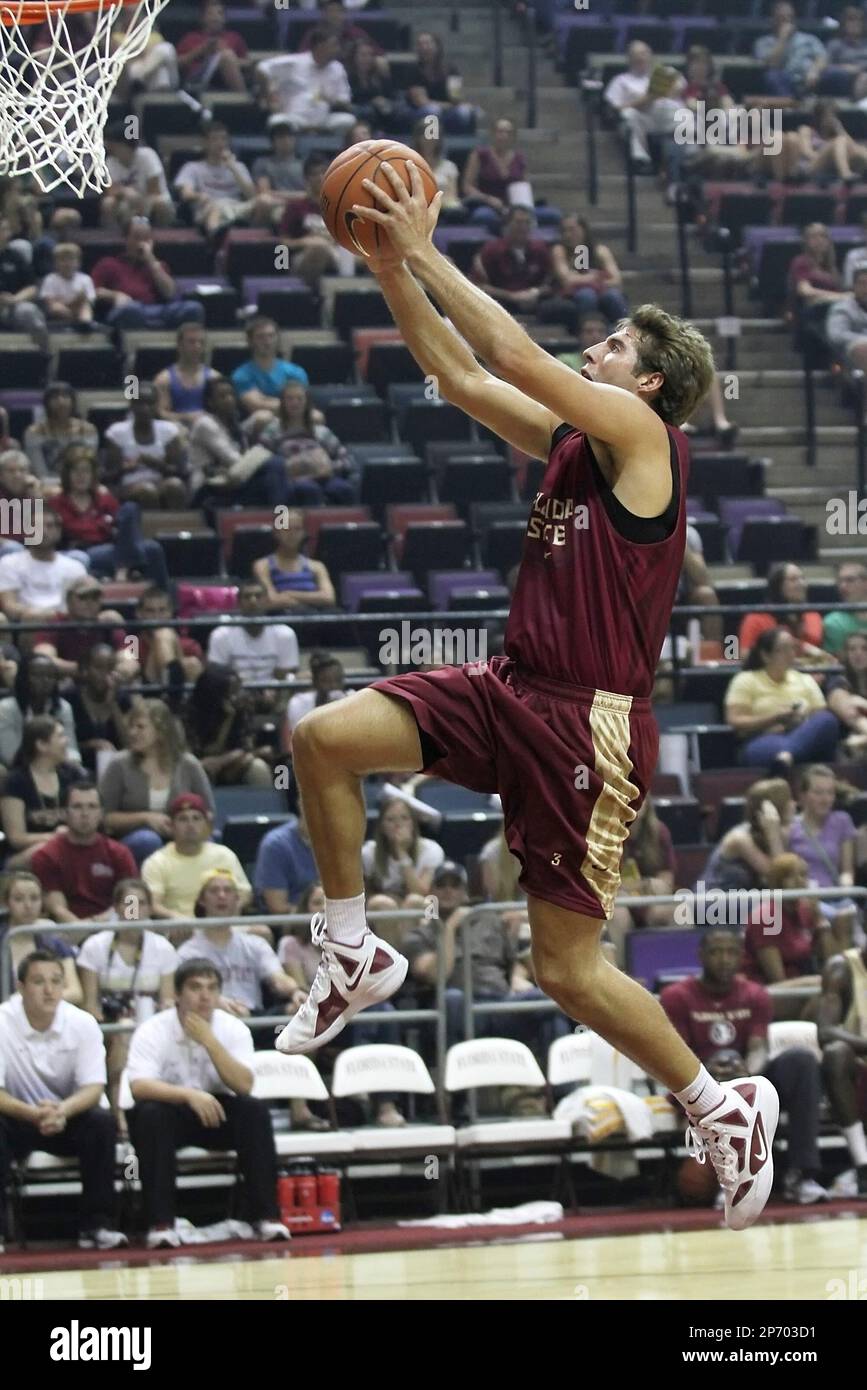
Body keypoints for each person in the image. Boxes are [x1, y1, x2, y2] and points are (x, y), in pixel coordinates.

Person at [273, 158, 781, 1233]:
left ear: (644, 385)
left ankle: (718, 1105)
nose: (592, 352)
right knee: (320, 737)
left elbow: (508, 347)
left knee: (564, 969)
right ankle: (352, 943)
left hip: (587, 726)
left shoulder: (649, 442)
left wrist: (418, 244)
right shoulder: (571, 445)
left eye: (610, 350)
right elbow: (460, 374)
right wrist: (386, 269)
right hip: (512, 686)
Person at [125, 957, 290, 1248]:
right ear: (177, 994)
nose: (205, 996)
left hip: (215, 1113)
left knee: (254, 1112)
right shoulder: (152, 1030)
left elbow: (244, 1085)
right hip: (170, 1112)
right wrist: (190, 1095)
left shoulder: (232, 1028)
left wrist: (210, 1042)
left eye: (212, 988)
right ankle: (160, 1223)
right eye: (196, 988)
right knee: (149, 1114)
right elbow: (139, 1086)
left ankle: (266, 1217)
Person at [662, 928, 827, 1206]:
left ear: (741, 957)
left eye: (731, 953)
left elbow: (758, 1047)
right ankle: (725, 1178)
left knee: (801, 1061)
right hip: (697, 1083)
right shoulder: (676, 996)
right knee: (693, 1185)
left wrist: (745, 1073)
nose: (724, 960)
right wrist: (709, 1076)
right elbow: (677, 1054)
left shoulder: (755, 994)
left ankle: (803, 1175)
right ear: (701, 956)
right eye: (716, 952)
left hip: (744, 1080)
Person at [0, 950, 127, 1252]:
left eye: (57, 981)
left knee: (101, 1123)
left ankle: (97, 1225)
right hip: (18, 1116)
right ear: (20, 987)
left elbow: (93, 1088)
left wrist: (62, 1111)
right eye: (39, 982)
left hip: (67, 1116)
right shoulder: (1, 1022)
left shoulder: (82, 1023)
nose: (49, 990)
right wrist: (31, 1114)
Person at [77, 877, 176, 1132]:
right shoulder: (95, 946)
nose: (135, 910)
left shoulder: (162, 948)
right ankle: (117, 1112)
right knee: (121, 1032)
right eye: (128, 903)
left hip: (151, 1021)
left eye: (141, 903)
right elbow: (89, 1003)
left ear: (150, 908)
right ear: (117, 907)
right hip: (108, 1025)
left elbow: (167, 1000)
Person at [99, 698, 215, 865]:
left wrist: (185, 825)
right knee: (148, 840)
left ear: (161, 731)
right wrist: (145, 818)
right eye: (131, 727)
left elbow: (209, 812)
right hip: (132, 839)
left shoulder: (188, 764)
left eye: (140, 727)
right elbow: (104, 816)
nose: (132, 732)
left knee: (210, 842)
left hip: (180, 837)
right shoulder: (119, 765)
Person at [177, 868, 303, 1019]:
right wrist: (216, 1001)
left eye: (228, 891)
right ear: (202, 900)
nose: (222, 896)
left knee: (294, 1011)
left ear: (237, 900)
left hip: (252, 1015)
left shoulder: (256, 944)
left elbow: (277, 977)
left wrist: (295, 991)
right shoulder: (188, 951)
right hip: (210, 1016)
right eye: (214, 891)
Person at [48, 446, 169, 589]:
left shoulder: (104, 499)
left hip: (114, 548)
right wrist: (104, 525)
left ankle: (164, 602)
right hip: (82, 552)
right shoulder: (56, 503)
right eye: (76, 471)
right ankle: (126, 568)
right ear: (67, 475)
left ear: (93, 475)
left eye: (86, 471)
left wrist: (111, 529)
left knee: (152, 546)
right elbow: (75, 532)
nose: (81, 476)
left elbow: (124, 528)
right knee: (138, 550)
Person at [725, 628, 840, 770]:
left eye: (792, 648)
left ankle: (786, 756)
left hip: (802, 734)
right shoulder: (745, 679)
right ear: (765, 655)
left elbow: (820, 717)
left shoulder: (805, 679)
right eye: (783, 649)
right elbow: (735, 720)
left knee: (827, 719)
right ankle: (789, 754)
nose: (790, 654)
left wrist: (800, 719)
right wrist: (775, 718)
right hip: (763, 738)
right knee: (776, 747)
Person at [30, 779, 137, 924]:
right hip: (66, 933)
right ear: (65, 813)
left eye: (92, 807)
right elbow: (58, 910)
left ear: (101, 813)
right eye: (77, 806)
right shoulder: (46, 855)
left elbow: (132, 902)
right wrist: (86, 932)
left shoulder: (120, 853)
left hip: (114, 929)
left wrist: (100, 926)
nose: (85, 813)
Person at [742, 852, 834, 1007]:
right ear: (778, 882)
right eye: (792, 876)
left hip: (800, 986)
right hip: (764, 992)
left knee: (835, 984)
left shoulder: (805, 910)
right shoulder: (766, 917)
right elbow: (777, 978)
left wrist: (819, 918)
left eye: (804, 875)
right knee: (824, 985)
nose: (801, 881)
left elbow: (831, 959)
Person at [187, 376, 296, 508]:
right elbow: (234, 461)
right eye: (222, 396)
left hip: (231, 482)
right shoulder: (205, 424)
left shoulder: (233, 423)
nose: (229, 399)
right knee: (275, 464)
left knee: (281, 477)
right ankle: (281, 523)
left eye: (231, 395)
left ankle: (279, 522)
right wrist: (261, 458)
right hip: (208, 487)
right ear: (210, 402)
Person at [141, 792, 251, 921]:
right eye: (183, 819)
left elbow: (245, 893)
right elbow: (153, 904)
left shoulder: (224, 855)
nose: (190, 825)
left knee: (262, 932)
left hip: (223, 923)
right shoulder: (156, 862)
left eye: (196, 818)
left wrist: (229, 912)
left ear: (206, 825)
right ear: (171, 826)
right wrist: (178, 919)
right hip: (180, 928)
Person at [788, 764, 859, 949]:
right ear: (802, 796)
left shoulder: (842, 820)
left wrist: (846, 886)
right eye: (818, 792)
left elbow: (847, 871)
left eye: (830, 793)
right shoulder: (790, 828)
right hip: (807, 898)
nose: (825, 799)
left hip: (837, 894)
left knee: (848, 912)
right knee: (830, 919)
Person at [91, 216, 204, 332]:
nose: (141, 244)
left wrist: (151, 261)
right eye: (137, 238)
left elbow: (169, 293)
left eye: (146, 239)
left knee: (193, 308)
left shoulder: (158, 266)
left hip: (157, 310)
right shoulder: (108, 264)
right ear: (126, 239)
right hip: (126, 310)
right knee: (132, 311)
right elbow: (92, 291)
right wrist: (114, 295)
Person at [818, 937, 867, 1196]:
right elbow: (825, 1032)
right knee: (836, 1053)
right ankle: (863, 1165)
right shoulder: (842, 968)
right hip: (858, 1072)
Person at [604, 796, 677, 967]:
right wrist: (636, 887)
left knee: (679, 911)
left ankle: (675, 969)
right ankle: (622, 974)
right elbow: (603, 882)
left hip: (648, 898)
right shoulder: (603, 833)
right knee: (617, 913)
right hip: (616, 899)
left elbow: (666, 880)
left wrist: (646, 887)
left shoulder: (659, 831)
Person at [0, 716, 82, 868]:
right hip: (25, 855)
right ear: (41, 745)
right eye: (60, 736)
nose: (67, 741)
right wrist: (55, 838)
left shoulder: (73, 775)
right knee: (47, 852)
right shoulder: (16, 781)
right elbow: (16, 838)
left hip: (71, 846)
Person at [256, 381, 355, 506]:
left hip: (322, 476)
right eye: (290, 399)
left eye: (299, 399)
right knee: (308, 489)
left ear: (307, 403)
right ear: (283, 403)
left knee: (344, 490)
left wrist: (327, 467)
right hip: (291, 479)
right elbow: (260, 460)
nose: (295, 403)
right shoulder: (273, 430)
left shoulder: (320, 431)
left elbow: (346, 460)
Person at [471, 206, 570, 331]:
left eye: (527, 222)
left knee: (562, 307)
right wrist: (511, 296)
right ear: (507, 225)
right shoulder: (491, 250)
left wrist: (535, 292)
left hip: (535, 301)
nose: (523, 227)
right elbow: (479, 285)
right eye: (518, 222)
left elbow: (552, 283)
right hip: (501, 301)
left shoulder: (540, 249)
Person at [206, 579, 298, 702]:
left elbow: (284, 674)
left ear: (267, 601)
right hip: (233, 694)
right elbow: (217, 674)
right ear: (238, 603)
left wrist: (272, 690)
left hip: (274, 695)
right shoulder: (221, 634)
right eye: (247, 597)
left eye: (258, 596)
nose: (253, 601)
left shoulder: (285, 634)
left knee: (299, 680)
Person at [0, 870, 82, 1005]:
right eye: (19, 899)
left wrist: (30, 1000)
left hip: (45, 1017)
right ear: (7, 903)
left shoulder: (55, 941)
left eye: (34, 898)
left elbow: (75, 992)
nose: (28, 905)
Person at [185, 664, 273, 788]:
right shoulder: (190, 712)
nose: (234, 697)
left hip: (232, 763)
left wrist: (220, 761)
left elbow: (245, 747)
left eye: (236, 690)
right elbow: (190, 751)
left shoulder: (242, 706)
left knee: (258, 768)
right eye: (230, 692)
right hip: (197, 764)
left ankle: (270, 806)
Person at [103, 382, 188, 509]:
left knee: (175, 486)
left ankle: (176, 526)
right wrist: (126, 468)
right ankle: (151, 528)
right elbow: (109, 475)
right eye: (140, 403)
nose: (145, 408)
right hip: (128, 486)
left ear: (157, 405)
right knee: (147, 491)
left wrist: (157, 464)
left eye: (150, 403)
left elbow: (181, 471)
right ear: (132, 405)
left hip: (160, 482)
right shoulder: (117, 432)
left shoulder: (168, 430)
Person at [704, 777, 794, 894]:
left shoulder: (781, 832)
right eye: (788, 800)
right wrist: (773, 834)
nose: (794, 804)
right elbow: (781, 878)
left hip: (747, 901)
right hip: (716, 902)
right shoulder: (740, 839)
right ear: (775, 808)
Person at [30, 574, 128, 683]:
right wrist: (87, 671)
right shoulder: (54, 624)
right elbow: (44, 658)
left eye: (95, 597)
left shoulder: (109, 623)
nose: (89, 603)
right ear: (68, 600)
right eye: (83, 597)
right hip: (67, 685)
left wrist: (117, 672)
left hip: (106, 683)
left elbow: (131, 658)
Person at [257, 29, 355, 136]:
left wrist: (329, 98)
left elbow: (345, 100)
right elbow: (262, 68)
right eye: (333, 45)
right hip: (295, 119)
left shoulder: (337, 68)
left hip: (323, 121)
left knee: (348, 120)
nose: (337, 49)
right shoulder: (295, 62)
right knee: (277, 121)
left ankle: (336, 151)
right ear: (320, 46)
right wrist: (268, 96)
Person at [0, 507, 87, 622]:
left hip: (66, 625)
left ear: (58, 531)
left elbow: (85, 604)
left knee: (110, 617)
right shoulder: (9, 563)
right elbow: (9, 607)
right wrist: (41, 615)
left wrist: (56, 616)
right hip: (27, 625)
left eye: (49, 526)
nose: (44, 531)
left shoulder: (75, 567)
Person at [174, 122, 262, 236]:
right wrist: (199, 196)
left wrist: (232, 168)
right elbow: (186, 193)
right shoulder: (192, 167)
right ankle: (215, 237)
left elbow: (252, 195)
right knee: (217, 206)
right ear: (205, 142)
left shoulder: (238, 166)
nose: (220, 143)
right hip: (208, 208)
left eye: (224, 139)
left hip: (236, 208)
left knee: (264, 201)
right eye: (214, 139)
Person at [0, 655, 81, 771]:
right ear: (24, 678)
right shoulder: (6, 708)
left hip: (58, 768)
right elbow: (10, 755)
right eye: (37, 675)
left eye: (50, 676)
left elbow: (71, 749)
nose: (45, 681)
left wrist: (74, 764)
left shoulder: (63, 708)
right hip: (17, 770)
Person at [275, 152, 341, 292]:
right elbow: (282, 244)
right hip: (303, 255)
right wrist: (305, 241)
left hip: (337, 253)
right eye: (315, 174)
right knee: (319, 248)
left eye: (324, 172)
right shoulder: (296, 207)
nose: (320, 177)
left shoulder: (339, 207)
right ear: (306, 178)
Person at [738, 563, 829, 664]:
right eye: (793, 580)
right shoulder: (755, 619)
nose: (801, 584)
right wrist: (801, 648)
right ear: (778, 586)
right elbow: (745, 657)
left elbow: (825, 657)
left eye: (803, 578)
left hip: (814, 676)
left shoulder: (814, 616)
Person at [361, 795, 445, 904]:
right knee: (380, 902)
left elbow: (422, 894)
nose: (398, 825)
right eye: (390, 819)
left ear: (413, 823)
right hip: (384, 912)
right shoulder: (368, 852)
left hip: (427, 913)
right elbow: (365, 896)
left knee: (414, 901)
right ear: (381, 826)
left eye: (404, 818)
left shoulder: (431, 850)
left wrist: (402, 853)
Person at [549, 214, 628, 326]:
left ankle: (624, 333)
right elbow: (566, 280)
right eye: (564, 231)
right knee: (586, 295)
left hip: (601, 290)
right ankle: (586, 333)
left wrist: (587, 280)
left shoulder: (599, 251)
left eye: (572, 230)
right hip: (571, 295)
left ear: (584, 230)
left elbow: (616, 280)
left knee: (613, 296)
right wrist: (595, 278)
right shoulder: (559, 250)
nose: (568, 235)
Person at [251, 510, 337, 612]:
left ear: (304, 533)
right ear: (276, 532)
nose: (292, 534)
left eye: (297, 529)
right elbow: (271, 599)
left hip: (314, 618)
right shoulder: (262, 565)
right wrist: (309, 601)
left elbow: (329, 598)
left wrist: (289, 594)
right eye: (286, 528)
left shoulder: (317, 566)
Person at [230, 316, 309, 421]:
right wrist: (291, 402)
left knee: (316, 416)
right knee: (263, 417)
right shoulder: (241, 374)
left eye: (271, 336)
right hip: (257, 423)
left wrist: (266, 399)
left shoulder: (296, 372)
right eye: (260, 337)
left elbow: (304, 403)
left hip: (293, 418)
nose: (267, 341)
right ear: (250, 341)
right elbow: (256, 405)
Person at [66, 644, 130, 772]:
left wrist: (113, 704)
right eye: (99, 668)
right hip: (77, 768)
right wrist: (90, 745)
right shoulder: (70, 698)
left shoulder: (122, 699)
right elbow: (64, 746)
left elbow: (128, 743)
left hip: (116, 769)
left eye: (110, 669)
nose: (105, 675)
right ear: (86, 669)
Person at [102, 123, 174, 229]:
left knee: (160, 203)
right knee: (108, 203)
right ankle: (113, 235)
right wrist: (125, 192)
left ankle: (162, 235)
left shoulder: (147, 156)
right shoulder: (110, 162)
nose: (109, 148)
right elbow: (111, 191)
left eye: (113, 144)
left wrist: (139, 200)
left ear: (124, 144)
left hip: (150, 199)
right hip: (126, 202)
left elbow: (155, 191)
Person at [461, 117, 529, 230]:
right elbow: (467, 187)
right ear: (492, 134)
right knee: (483, 217)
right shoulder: (480, 154)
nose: (504, 135)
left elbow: (524, 186)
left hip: (513, 207)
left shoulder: (519, 158)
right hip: (485, 204)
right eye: (500, 131)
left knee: (550, 215)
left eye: (508, 132)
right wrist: (488, 199)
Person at [133, 586, 205, 689]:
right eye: (150, 611)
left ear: (170, 612)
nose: (157, 616)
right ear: (139, 613)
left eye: (162, 610)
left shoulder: (189, 645)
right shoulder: (132, 642)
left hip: (182, 700)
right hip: (147, 697)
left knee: (192, 663)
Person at [754, 0, 827, 98]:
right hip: (785, 80)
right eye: (782, 18)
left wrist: (814, 71)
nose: (788, 21)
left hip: (809, 79)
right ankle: (790, 104)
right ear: (773, 20)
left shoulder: (809, 38)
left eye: (790, 17)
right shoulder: (763, 42)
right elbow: (772, 64)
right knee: (771, 76)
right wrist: (782, 38)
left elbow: (822, 57)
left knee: (835, 74)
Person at [153, 323, 218, 431]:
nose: (197, 346)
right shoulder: (164, 379)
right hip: (178, 429)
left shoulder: (213, 377)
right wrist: (187, 417)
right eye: (191, 342)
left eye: (201, 342)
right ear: (179, 345)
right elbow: (161, 413)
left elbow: (222, 413)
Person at [253, 810, 318, 916]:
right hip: (294, 922)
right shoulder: (276, 844)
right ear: (301, 805)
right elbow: (277, 907)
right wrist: (316, 914)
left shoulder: (340, 839)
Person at [176, 0, 248, 95]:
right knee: (226, 56)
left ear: (225, 18)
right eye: (210, 14)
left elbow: (247, 63)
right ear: (202, 18)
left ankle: (242, 99)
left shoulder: (234, 37)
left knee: (226, 56)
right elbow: (177, 63)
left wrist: (227, 59)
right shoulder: (191, 38)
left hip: (225, 79)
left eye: (219, 13)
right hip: (197, 81)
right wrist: (200, 51)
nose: (215, 17)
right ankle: (244, 100)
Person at [0, 213, 48, 350]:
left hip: (12, 307)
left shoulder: (16, 256)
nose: (7, 234)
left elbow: (32, 288)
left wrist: (15, 299)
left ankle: (44, 358)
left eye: (7, 229)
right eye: (2, 229)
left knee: (29, 312)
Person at [603, 41, 654, 165]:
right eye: (636, 55)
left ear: (650, 57)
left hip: (658, 117)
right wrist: (641, 101)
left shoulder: (659, 78)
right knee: (630, 114)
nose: (640, 57)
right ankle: (640, 159)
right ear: (629, 59)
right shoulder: (620, 80)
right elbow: (615, 109)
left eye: (643, 54)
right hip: (635, 119)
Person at [286, 650, 346, 736]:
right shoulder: (298, 703)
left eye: (338, 680)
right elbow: (300, 738)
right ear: (315, 682)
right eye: (326, 681)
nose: (333, 685)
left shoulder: (354, 699)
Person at [826, 268, 867, 393]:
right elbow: (836, 335)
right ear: (854, 286)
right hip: (848, 357)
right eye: (862, 283)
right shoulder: (842, 308)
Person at [38, 242, 95, 329]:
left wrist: (79, 301)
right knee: (56, 307)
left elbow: (89, 301)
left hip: (79, 309)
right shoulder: (50, 279)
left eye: (71, 259)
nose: (67, 263)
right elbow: (50, 302)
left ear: (78, 262)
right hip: (58, 312)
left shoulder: (85, 279)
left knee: (85, 307)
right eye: (63, 260)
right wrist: (73, 303)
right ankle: (74, 323)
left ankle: (85, 326)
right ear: (55, 263)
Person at [827, 631, 867, 752]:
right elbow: (847, 710)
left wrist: (864, 704)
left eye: (865, 648)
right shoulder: (838, 678)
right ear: (846, 654)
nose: (858, 653)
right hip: (847, 741)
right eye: (852, 649)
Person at [821, 6, 867, 99]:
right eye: (851, 20)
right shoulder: (835, 44)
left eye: (859, 20)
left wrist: (860, 70)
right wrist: (846, 68)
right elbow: (825, 66)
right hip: (844, 81)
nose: (856, 23)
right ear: (844, 23)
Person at [823, 560, 867, 656]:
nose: (843, 586)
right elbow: (845, 662)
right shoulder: (833, 622)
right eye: (840, 581)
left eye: (850, 580)